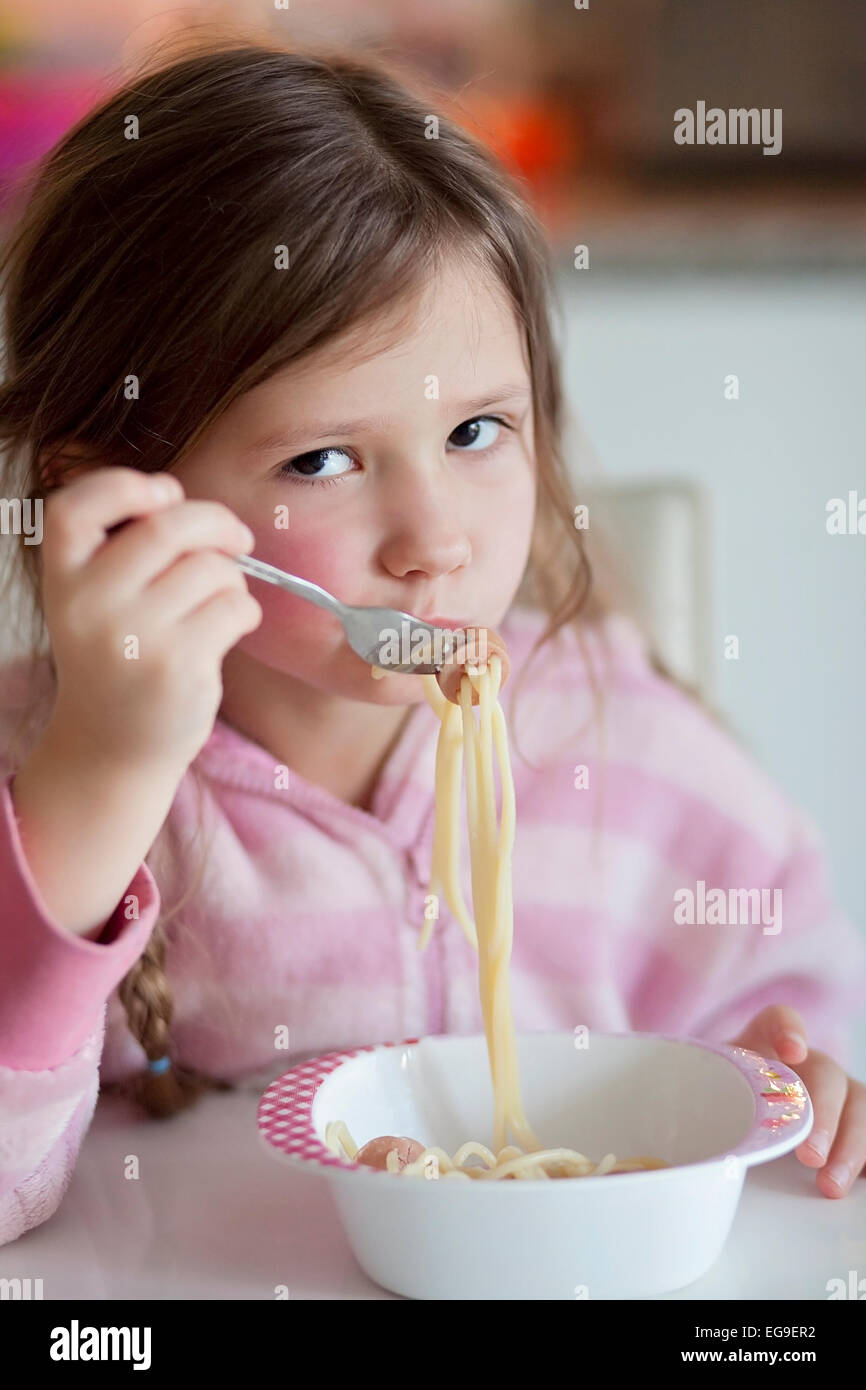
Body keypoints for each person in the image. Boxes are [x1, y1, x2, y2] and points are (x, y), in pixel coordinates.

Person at [1, 38, 864, 1249]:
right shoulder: (40, 774)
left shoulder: (630, 757)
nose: (435, 542)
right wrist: (98, 774)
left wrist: (808, 1079)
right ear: (117, 500)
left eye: (475, 431)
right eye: (322, 460)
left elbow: (790, 1032)